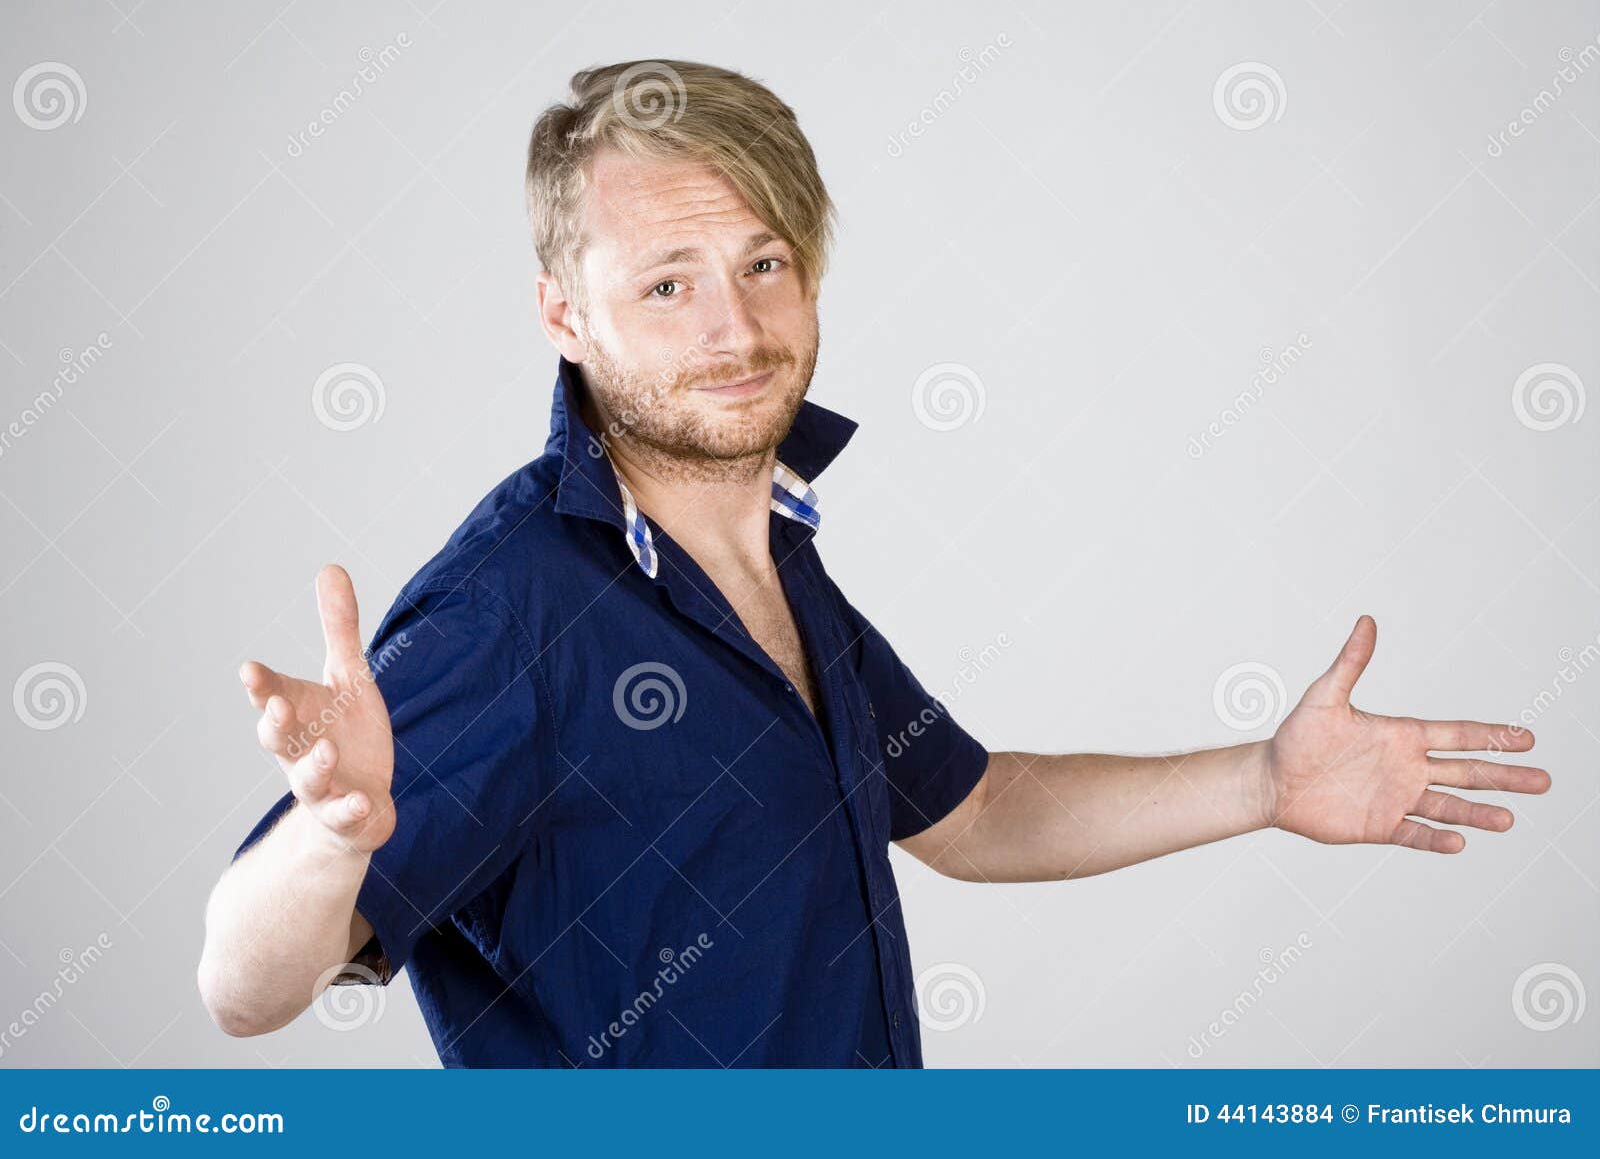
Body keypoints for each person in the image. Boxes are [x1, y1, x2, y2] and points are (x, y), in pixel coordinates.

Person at [197, 60, 1550, 1068]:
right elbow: (241, 986)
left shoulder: (779, 563)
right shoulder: (514, 609)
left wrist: (1263, 781)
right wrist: (333, 839)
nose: (735, 324)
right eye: (668, 283)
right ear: (565, 312)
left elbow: (970, 814)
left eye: (765, 262)